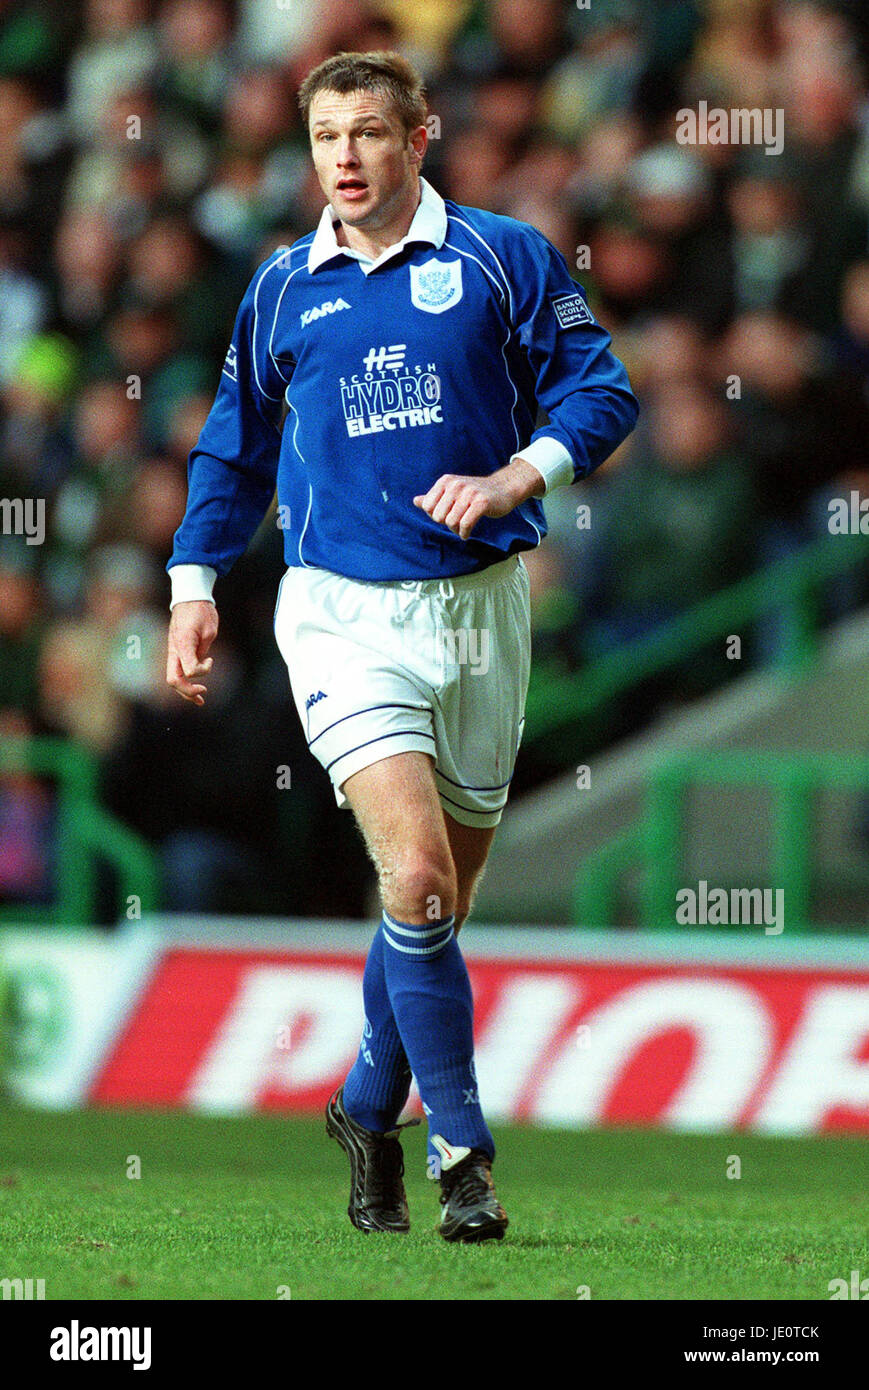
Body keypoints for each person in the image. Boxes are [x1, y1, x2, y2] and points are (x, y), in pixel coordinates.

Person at [165, 50, 638, 1242]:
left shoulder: (500, 257)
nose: (344, 156)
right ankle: (461, 1157)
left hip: (481, 614)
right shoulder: (280, 287)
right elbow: (233, 451)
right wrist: (192, 580)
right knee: (417, 877)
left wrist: (515, 474)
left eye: (369, 132)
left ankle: (364, 1104)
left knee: (430, 904)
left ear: (419, 138)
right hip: (341, 614)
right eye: (325, 135)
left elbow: (601, 394)